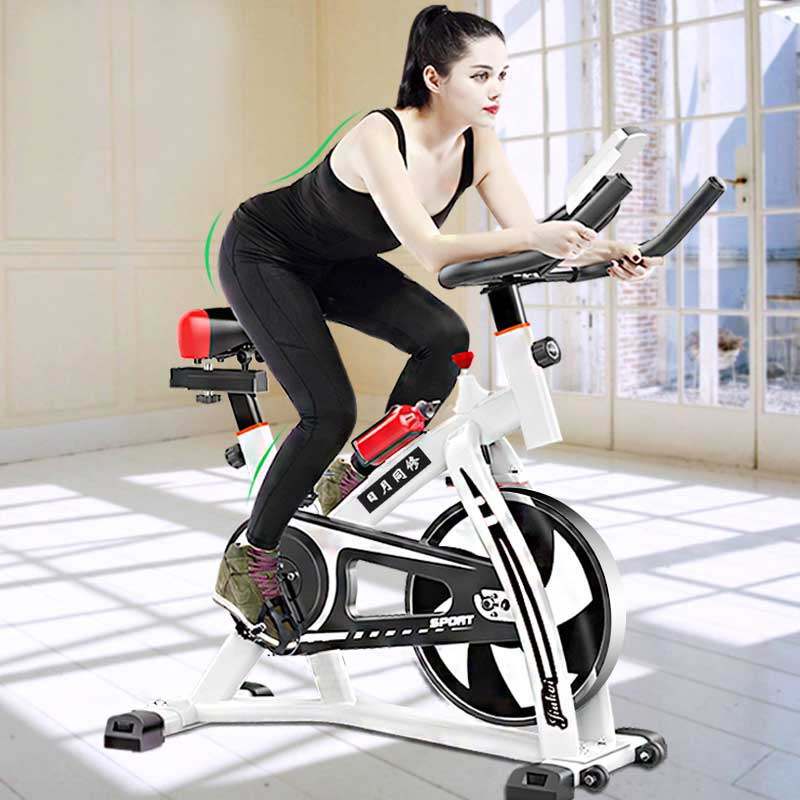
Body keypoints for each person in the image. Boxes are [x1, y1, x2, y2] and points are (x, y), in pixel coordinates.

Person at [213, 4, 662, 651]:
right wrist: (540, 237)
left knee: (445, 339)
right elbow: (432, 251)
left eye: (503, 74)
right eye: (480, 75)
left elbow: (529, 233)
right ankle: (248, 559)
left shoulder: (479, 141)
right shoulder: (380, 136)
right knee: (328, 411)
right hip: (265, 253)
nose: (496, 89)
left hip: (337, 263)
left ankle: (356, 469)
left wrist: (605, 250)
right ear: (434, 77)